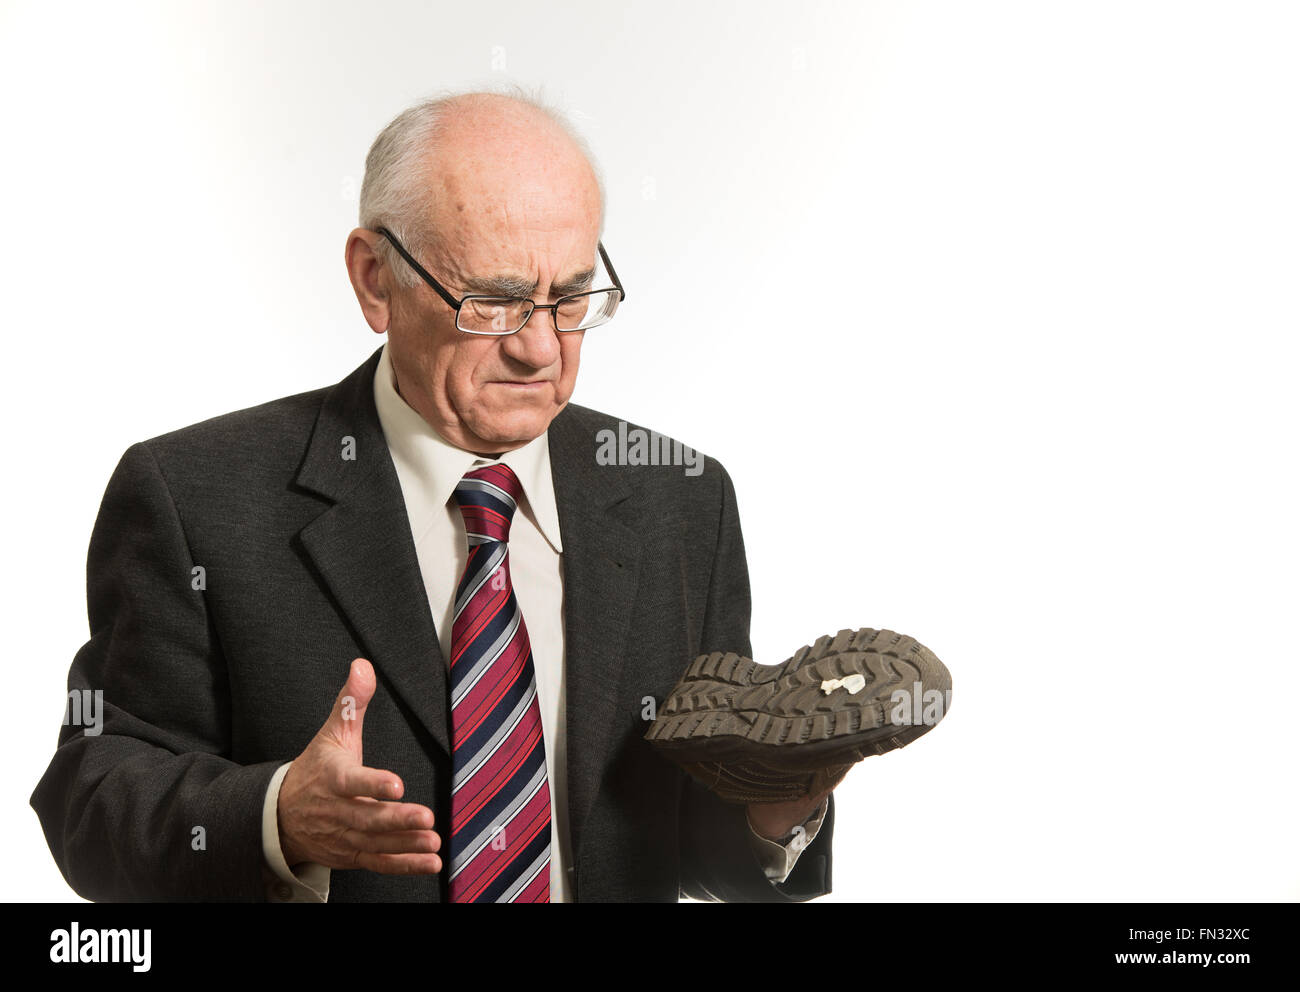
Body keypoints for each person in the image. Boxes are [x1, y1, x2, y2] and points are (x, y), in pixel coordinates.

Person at [30, 89, 837, 902]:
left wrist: (775, 809)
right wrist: (277, 817)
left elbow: (688, 847)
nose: (540, 350)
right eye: (495, 298)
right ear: (375, 279)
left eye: (570, 296)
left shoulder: (683, 500)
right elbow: (89, 799)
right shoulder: (193, 497)